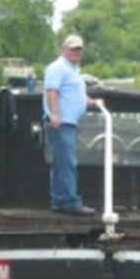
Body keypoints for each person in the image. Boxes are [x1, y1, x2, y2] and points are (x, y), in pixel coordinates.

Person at [43, 34, 101, 215]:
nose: (77, 52)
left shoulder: (74, 70)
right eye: (73, 48)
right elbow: (52, 91)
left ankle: (60, 200)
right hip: (61, 123)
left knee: (62, 163)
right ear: (63, 49)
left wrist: (91, 102)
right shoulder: (57, 67)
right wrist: (54, 114)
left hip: (70, 123)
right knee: (66, 162)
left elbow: (74, 93)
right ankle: (69, 202)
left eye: (79, 49)